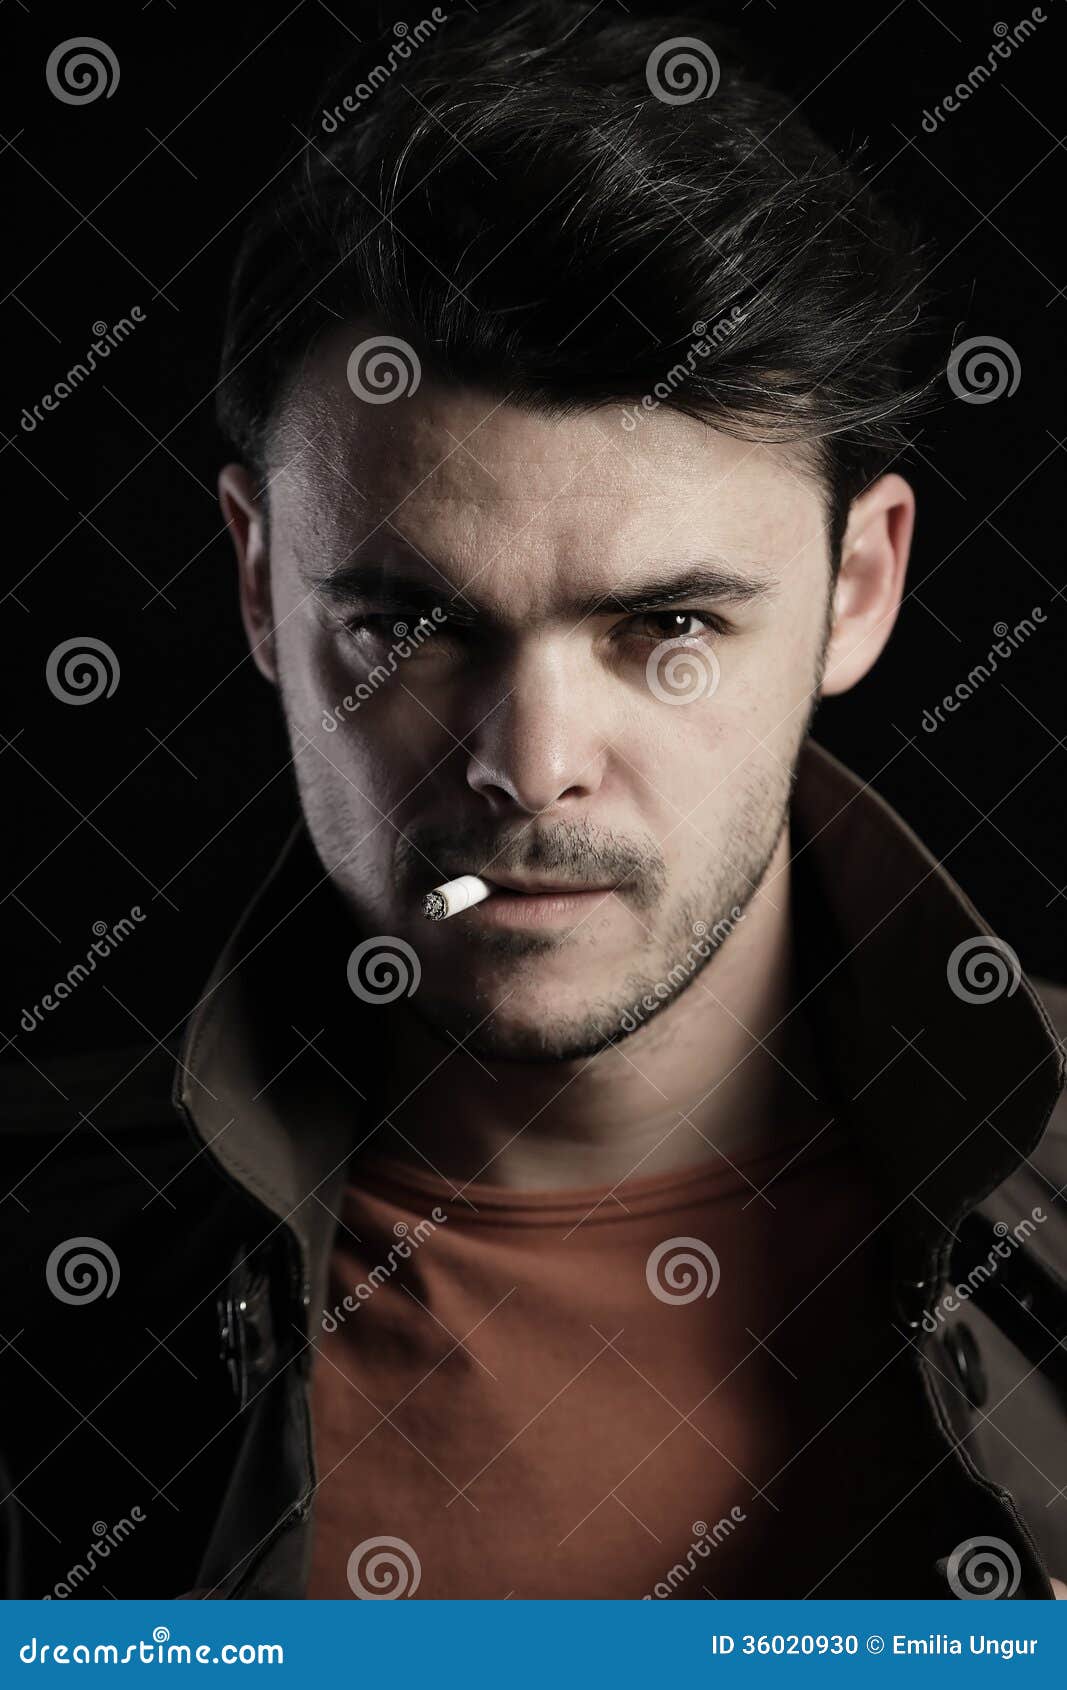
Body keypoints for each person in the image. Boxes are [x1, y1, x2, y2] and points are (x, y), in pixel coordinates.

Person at [3, 0, 1065, 1601]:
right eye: (412, 628)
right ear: (256, 577)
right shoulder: (42, 1280)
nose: (531, 762)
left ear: (858, 589)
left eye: (670, 629)